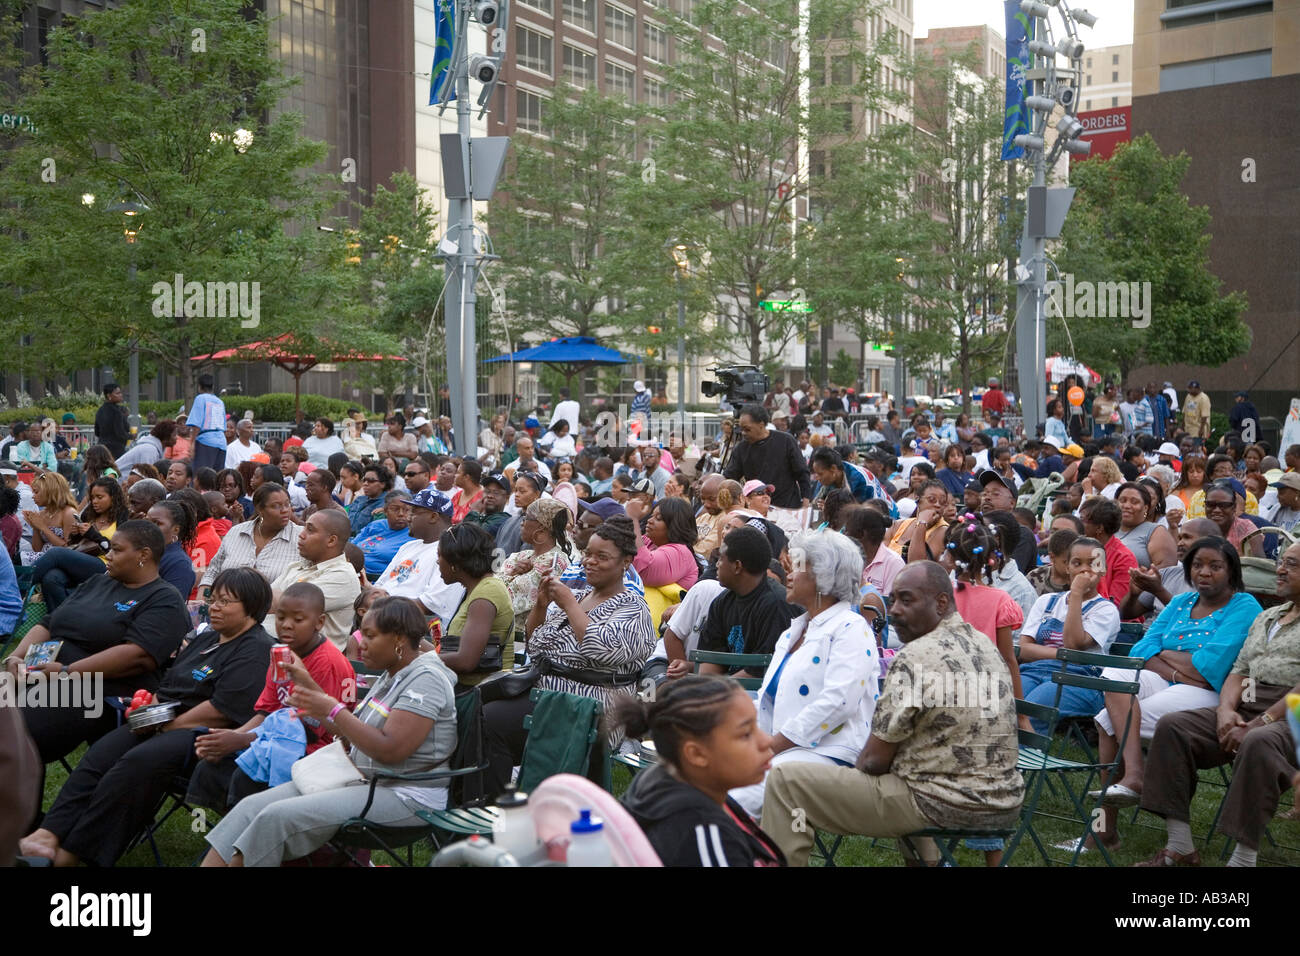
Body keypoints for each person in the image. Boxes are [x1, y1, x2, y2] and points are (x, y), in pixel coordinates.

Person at [760, 562, 1024, 866]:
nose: (895, 610)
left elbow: (873, 761)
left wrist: (845, 773)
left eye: (906, 600)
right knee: (909, 770)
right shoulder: (984, 645)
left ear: (940, 603)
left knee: (784, 779)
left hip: (939, 803)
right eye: (893, 599)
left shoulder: (915, 656)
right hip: (1003, 800)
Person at [17, 567, 275, 867]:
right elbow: (171, 684)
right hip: (163, 719)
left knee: (132, 765)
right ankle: (48, 833)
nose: (214, 607)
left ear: (252, 608)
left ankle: (74, 854)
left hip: (202, 735)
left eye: (226, 602)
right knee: (101, 755)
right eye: (213, 598)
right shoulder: (209, 638)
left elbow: (221, 710)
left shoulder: (257, 649)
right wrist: (148, 709)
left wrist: (168, 726)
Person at [200, 596, 459, 867]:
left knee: (275, 817)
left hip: (406, 797)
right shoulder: (394, 672)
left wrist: (332, 709)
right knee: (250, 808)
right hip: (365, 781)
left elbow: (390, 750)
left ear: (398, 640)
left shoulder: (427, 679)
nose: (361, 643)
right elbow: (353, 736)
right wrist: (312, 692)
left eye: (370, 636)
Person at [1086, 537, 1262, 849]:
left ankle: (1105, 826)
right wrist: (1179, 671)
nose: (1204, 573)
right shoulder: (1181, 602)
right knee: (1115, 678)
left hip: (1211, 695)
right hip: (1175, 681)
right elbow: (1141, 650)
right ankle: (1134, 775)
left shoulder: (1245, 606)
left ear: (1231, 570)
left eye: (1214, 566)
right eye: (1197, 565)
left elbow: (1211, 666)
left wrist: (1168, 657)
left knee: (1108, 721)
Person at [1136, 542, 1300, 867]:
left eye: (1292, 564)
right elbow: (1239, 671)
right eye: (1282, 561)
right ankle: (1180, 846)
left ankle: (1243, 860)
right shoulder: (1269, 617)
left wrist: (1258, 722)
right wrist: (1226, 711)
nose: (1280, 569)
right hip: (1247, 704)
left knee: (1257, 741)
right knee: (1174, 726)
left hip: (1291, 715)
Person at [476, 514, 654, 799]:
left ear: (625, 563)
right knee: (476, 710)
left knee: (489, 721)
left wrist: (569, 604)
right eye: (588, 554)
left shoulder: (633, 608)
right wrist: (541, 605)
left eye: (602, 557)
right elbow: (537, 644)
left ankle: (499, 805)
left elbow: (601, 649)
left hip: (592, 704)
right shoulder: (581, 594)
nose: (590, 561)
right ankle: (490, 800)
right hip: (550, 692)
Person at [5, 522, 190, 773]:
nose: (108, 556)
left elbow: (137, 655)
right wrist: (15, 658)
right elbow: (50, 623)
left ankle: (18, 810)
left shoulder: (164, 599)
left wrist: (66, 671)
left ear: (143, 555)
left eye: (116, 549)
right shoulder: (97, 583)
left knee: (11, 734)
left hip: (97, 689)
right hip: (41, 672)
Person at [720, 529, 873, 819]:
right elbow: (772, 705)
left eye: (798, 565)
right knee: (702, 778)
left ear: (824, 576)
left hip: (830, 755)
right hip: (783, 750)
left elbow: (838, 703)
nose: (787, 573)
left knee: (730, 800)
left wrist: (771, 747)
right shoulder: (794, 631)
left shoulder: (851, 629)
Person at [186, 582, 355, 815]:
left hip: (316, 751)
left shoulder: (328, 663)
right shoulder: (281, 652)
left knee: (245, 775)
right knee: (212, 765)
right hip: (275, 740)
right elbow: (266, 712)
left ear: (319, 622)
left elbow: (315, 730)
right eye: (281, 617)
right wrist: (233, 737)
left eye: (298, 620)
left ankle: (245, 837)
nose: (286, 625)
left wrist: (245, 741)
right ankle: (233, 835)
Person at [1016, 537, 1120, 734]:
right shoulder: (1046, 602)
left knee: (1032, 709)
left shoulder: (1106, 610)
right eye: (1077, 563)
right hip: (1034, 670)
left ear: (1103, 569)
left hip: (1079, 678)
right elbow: (1025, 649)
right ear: (1067, 568)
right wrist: (1061, 654)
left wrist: (1077, 595)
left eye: (1093, 563)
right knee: (1003, 704)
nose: (1084, 570)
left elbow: (1073, 645)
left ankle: (1026, 761)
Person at [942, 517, 1027, 712]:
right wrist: (1020, 713)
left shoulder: (939, 595)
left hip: (940, 683)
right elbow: (1007, 658)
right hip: (984, 694)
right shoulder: (1000, 600)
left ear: (951, 555)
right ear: (992, 557)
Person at [695, 526, 796, 678]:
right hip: (727, 690)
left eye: (721, 559)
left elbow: (761, 672)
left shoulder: (778, 604)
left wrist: (718, 691)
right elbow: (710, 663)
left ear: (737, 566)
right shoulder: (721, 603)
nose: (717, 564)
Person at [265, 510, 361, 653]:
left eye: (310, 530)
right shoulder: (296, 566)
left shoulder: (343, 576)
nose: (301, 534)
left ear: (331, 541)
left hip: (304, 658)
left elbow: (276, 603)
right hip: (269, 643)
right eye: (303, 528)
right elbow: (265, 599)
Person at [31, 476, 129, 611]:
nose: (94, 501)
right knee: (51, 578)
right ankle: (62, 620)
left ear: (113, 497)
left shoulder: (123, 518)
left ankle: (18, 585)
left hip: (106, 565)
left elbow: (117, 549)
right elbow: (78, 544)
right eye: (92, 497)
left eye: (100, 497)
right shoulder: (89, 515)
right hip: (82, 561)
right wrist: (76, 534)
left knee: (56, 553)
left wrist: (93, 534)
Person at [436, 523, 515, 692]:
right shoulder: (476, 588)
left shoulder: (487, 591)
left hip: (479, 691)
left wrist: (419, 659)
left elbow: (466, 661)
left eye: (440, 555)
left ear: (454, 562)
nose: (437, 561)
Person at [372, 488, 464, 623]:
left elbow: (429, 605)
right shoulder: (408, 547)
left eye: (413, 513)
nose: (408, 518)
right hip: (383, 612)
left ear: (433, 517)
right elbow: (380, 586)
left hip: (411, 623)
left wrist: (382, 605)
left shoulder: (451, 552)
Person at [200, 484, 302, 595]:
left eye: (287, 504)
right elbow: (213, 571)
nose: (285, 510)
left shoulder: (301, 538)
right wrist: (202, 600)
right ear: (259, 509)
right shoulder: (237, 532)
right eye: (276, 506)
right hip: (226, 607)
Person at [724, 404, 812, 534]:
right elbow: (730, 478)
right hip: (757, 513)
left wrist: (806, 501)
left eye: (747, 429)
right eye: (741, 429)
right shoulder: (741, 449)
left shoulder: (786, 441)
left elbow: (802, 473)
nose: (743, 433)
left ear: (761, 424)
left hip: (787, 509)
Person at [626, 496, 699, 592]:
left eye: (658, 518)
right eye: (651, 516)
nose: (650, 520)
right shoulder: (649, 541)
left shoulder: (681, 553)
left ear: (675, 525)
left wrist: (632, 519)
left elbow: (642, 570)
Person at [1078, 497, 1139, 605]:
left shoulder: (1123, 558)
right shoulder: (1077, 548)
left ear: (1099, 528)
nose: (1078, 524)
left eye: (1082, 520)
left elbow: (1115, 603)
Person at [977, 471, 1037, 573]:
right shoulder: (974, 528)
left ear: (1012, 503)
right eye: (985, 493)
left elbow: (1007, 575)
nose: (987, 497)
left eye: (996, 494)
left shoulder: (1021, 534)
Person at [843, 504, 904, 597]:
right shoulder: (845, 558)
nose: (844, 535)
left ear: (861, 534)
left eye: (847, 531)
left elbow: (889, 607)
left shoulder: (894, 563)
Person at [145, 498, 200, 599]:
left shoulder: (180, 564)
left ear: (175, 530)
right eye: (146, 521)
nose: (148, 527)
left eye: (157, 523)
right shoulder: (145, 552)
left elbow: (171, 606)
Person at [1114, 481, 1177, 569]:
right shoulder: (1107, 529)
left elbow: (1166, 568)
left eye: (1134, 502)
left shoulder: (1155, 532)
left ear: (1145, 508)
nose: (1127, 506)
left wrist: (1143, 578)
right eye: (1123, 500)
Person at [355, 491, 413, 580]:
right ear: (385, 511)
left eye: (406, 510)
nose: (401, 513)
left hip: (378, 580)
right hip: (354, 573)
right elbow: (353, 546)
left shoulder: (413, 535)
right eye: (395, 509)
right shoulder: (375, 525)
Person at [1201, 480, 1264, 556]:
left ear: (1234, 507)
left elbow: (1259, 563)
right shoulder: (1199, 528)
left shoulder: (1246, 528)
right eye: (1210, 504)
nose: (1216, 510)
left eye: (1224, 505)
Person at [23, 471, 79, 554]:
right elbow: (37, 549)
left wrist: (43, 527)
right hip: (42, 557)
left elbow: (68, 549)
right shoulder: (42, 513)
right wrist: (35, 527)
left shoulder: (68, 513)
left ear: (50, 491)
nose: (33, 496)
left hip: (60, 560)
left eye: (36, 492)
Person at [185, 375, 228, 472]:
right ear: (212, 387)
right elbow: (224, 426)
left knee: (200, 476)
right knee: (217, 477)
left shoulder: (200, 398)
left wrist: (191, 444)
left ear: (199, 387)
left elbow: (196, 424)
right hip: (221, 442)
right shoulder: (220, 402)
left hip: (205, 441)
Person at [347, 464, 393, 537]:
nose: (365, 484)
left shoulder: (387, 505)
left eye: (371, 481)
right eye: (364, 480)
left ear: (383, 484)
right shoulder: (359, 500)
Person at [462, 470, 511, 536]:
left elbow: (474, 536)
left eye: (496, 493)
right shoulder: (480, 516)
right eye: (487, 491)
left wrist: (474, 511)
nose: (490, 496)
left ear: (507, 498)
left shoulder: (503, 520)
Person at [94, 384, 131, 459]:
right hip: (116, 450)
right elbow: (121, 433)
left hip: (102, 449)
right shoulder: (117, 411)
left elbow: (97, 432)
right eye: (117, 393)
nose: (121, 395)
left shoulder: (100, 410)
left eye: (120, 392)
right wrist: (132, 436)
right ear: (109, 395)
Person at [451, 459, 486, 525]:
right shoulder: (456, 496)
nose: (454, 475)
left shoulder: (484, 497)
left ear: (466, 477)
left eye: (458, 473)